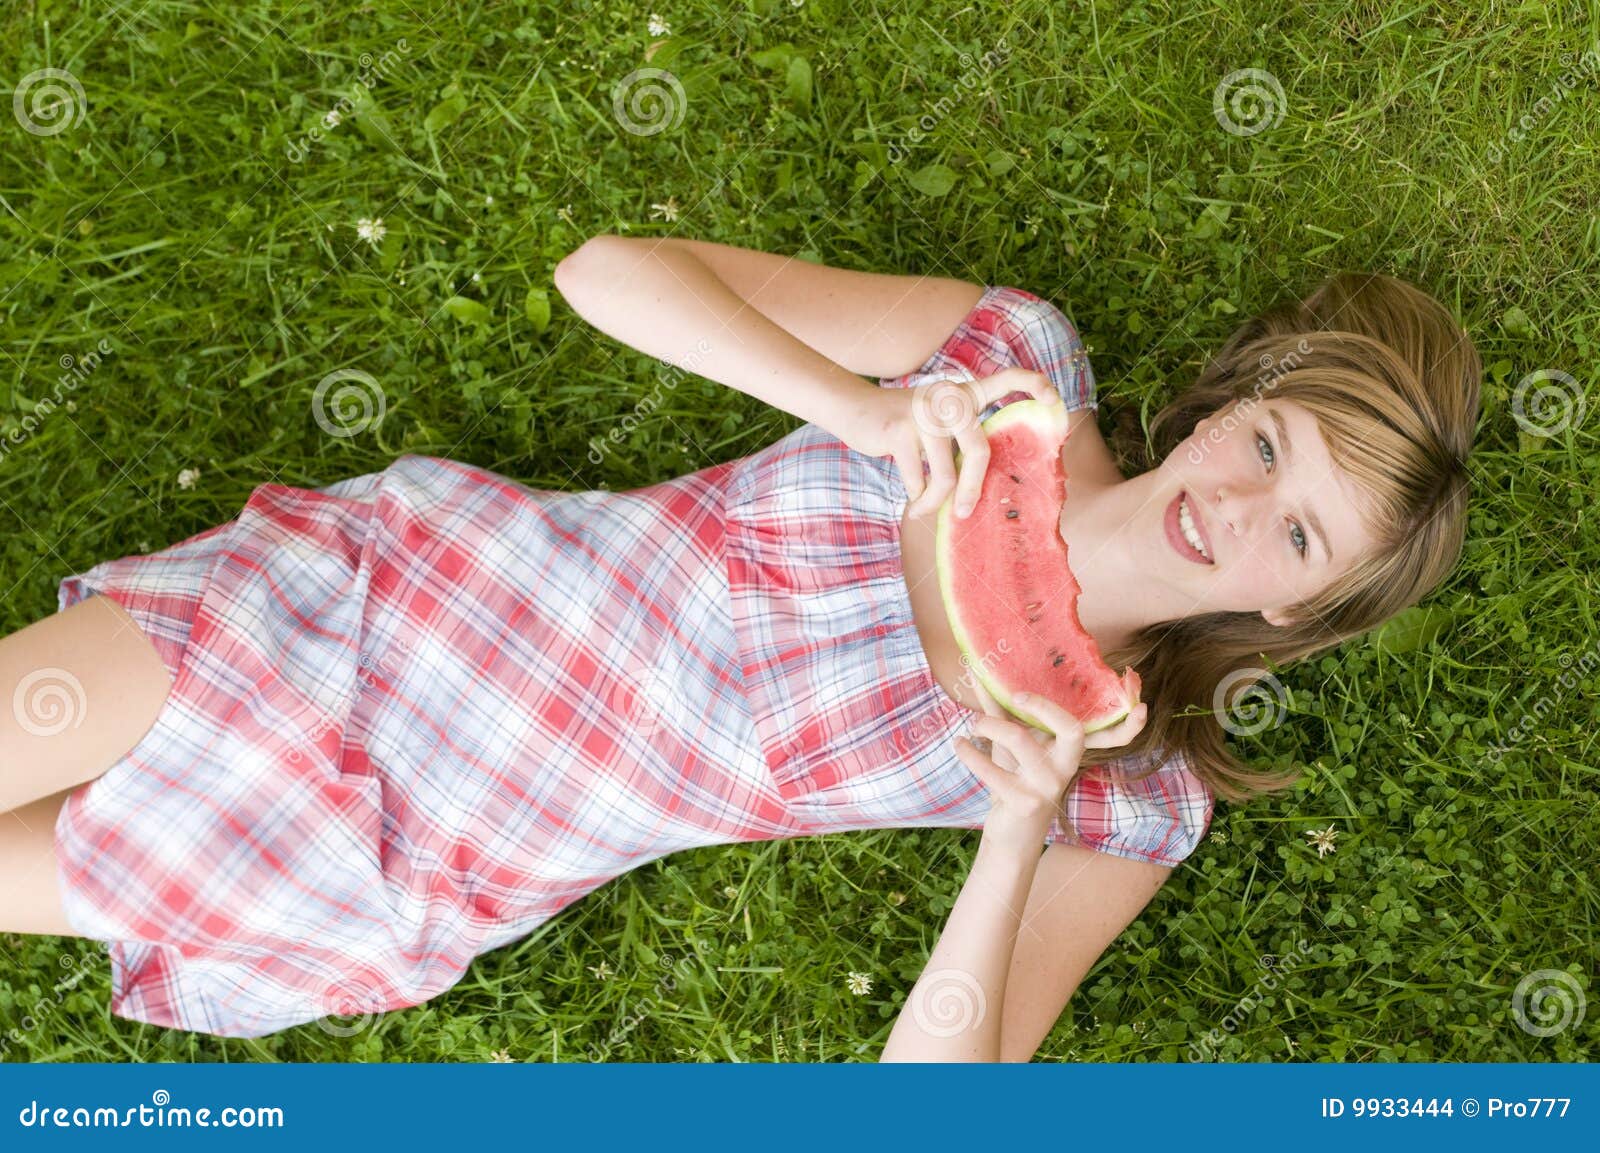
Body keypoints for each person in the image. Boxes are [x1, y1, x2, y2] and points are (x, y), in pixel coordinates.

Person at [0, 236, 1479, 1059]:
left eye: (1299, 535)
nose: (1233, 501)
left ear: (1301, 612)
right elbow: (604, 271)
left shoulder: (1127, 792)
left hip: (402, 858)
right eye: (1268, 443)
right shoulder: (1010, 358)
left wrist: (1013, 836)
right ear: (1226, 405)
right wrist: (856, 405)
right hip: (365, 613)